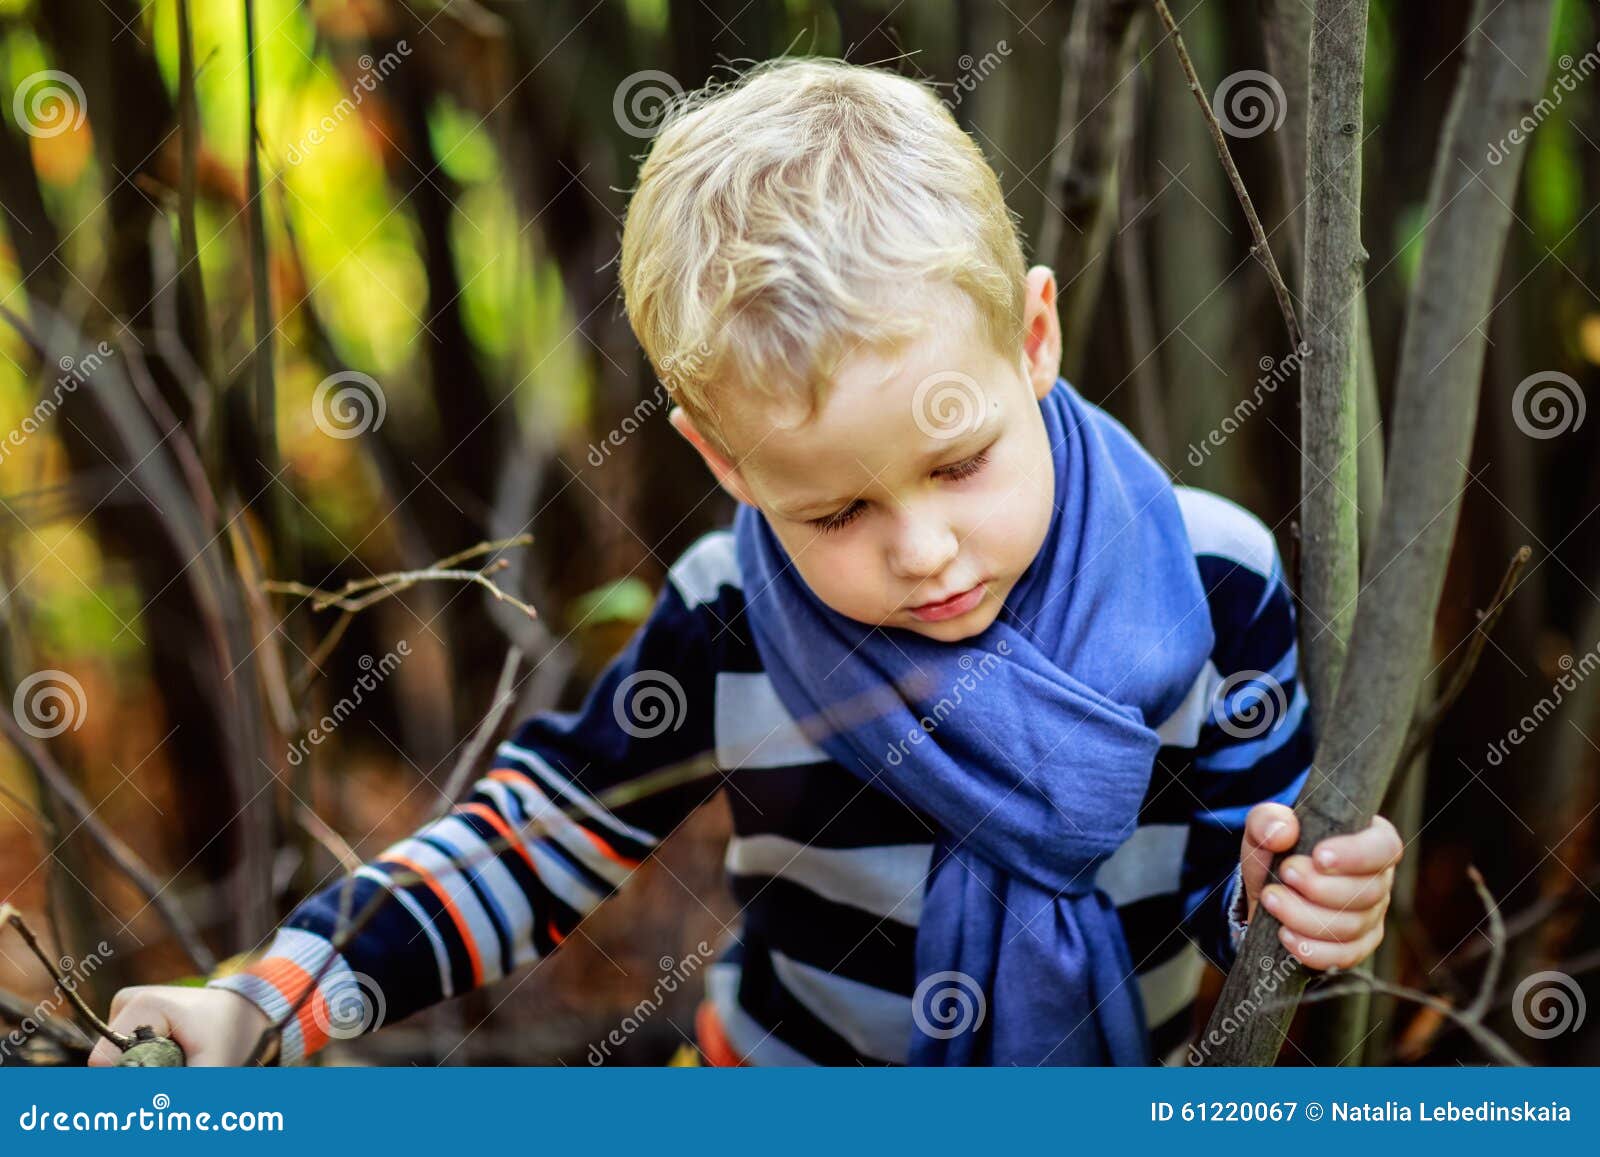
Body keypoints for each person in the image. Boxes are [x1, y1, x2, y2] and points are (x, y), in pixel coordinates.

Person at [91, 58, 1400, 1068]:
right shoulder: (733, 615)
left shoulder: (1214, 578)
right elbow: (544, 836)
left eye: (958, 464)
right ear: (724, 459)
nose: (923, 551)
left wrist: (1295, 897)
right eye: (835, 512)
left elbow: (1241, 880)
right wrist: (275, 998)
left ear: (1035, 337)